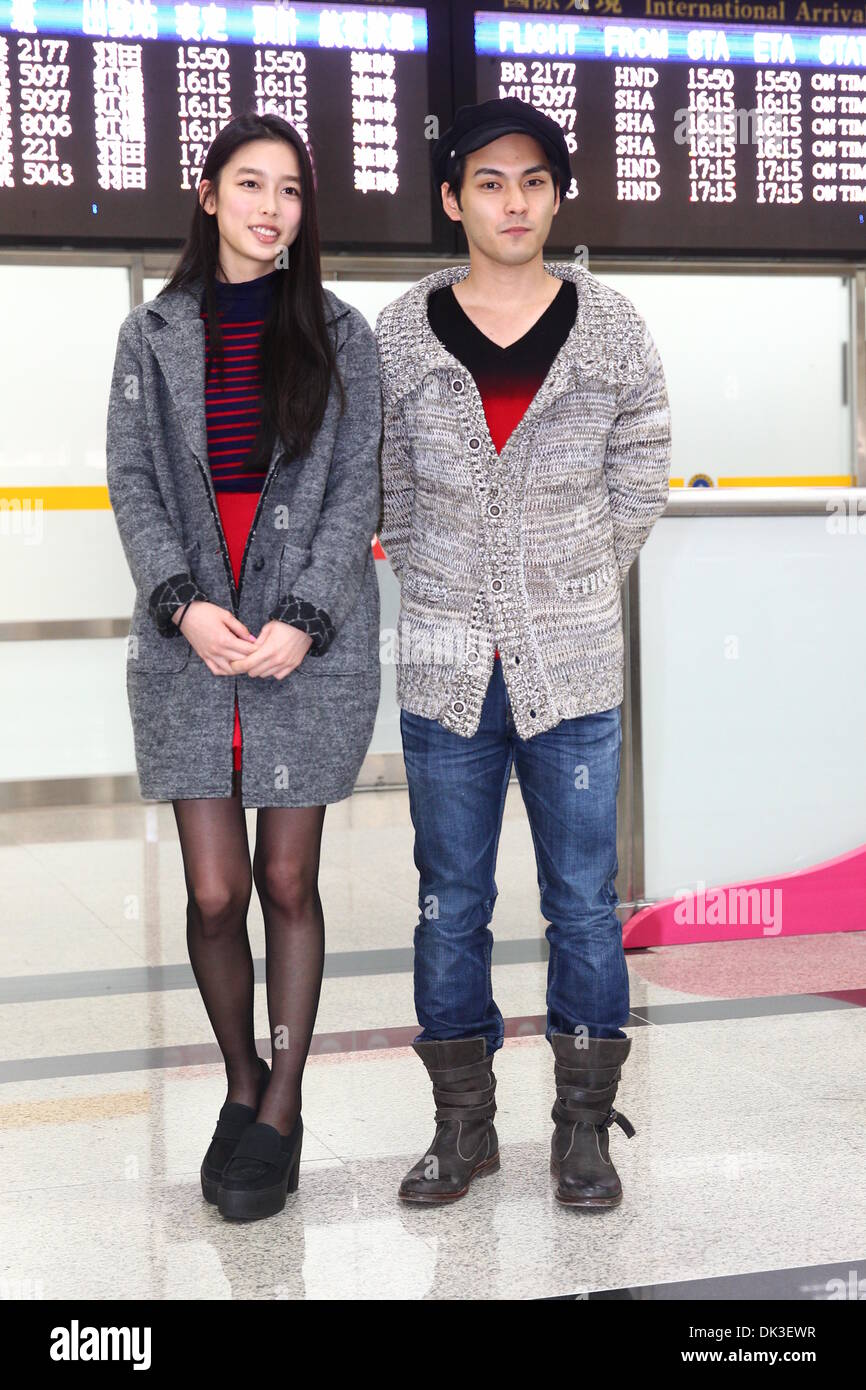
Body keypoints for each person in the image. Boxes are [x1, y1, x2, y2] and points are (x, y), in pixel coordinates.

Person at [375, 97, 672, 1209]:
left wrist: (579, 574)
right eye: (489, 182)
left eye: (533, 182)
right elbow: (385, 479)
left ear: (556, 196)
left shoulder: (608, 323)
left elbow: (640, 461)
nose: (513, 201)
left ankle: (582, 1129)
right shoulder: (400, 330)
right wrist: (435, 573)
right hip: (446, 667)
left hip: (575, 668)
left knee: (584, 903)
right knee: (449, 900)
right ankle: (462, 1129)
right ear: (453, 199)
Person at [105, 112, 382, 1222]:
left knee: (284, 884)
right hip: (190, 642)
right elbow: (131, 479)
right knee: (215, 892)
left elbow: (356, 487)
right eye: (251, 185)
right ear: (209, 195)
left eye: (291, 192)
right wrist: (182, 604)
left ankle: (280, 1110)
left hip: (303, 644)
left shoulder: (339, 333)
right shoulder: (150, 332)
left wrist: (306, 615)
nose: (272, 208)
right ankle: (239, 1080)